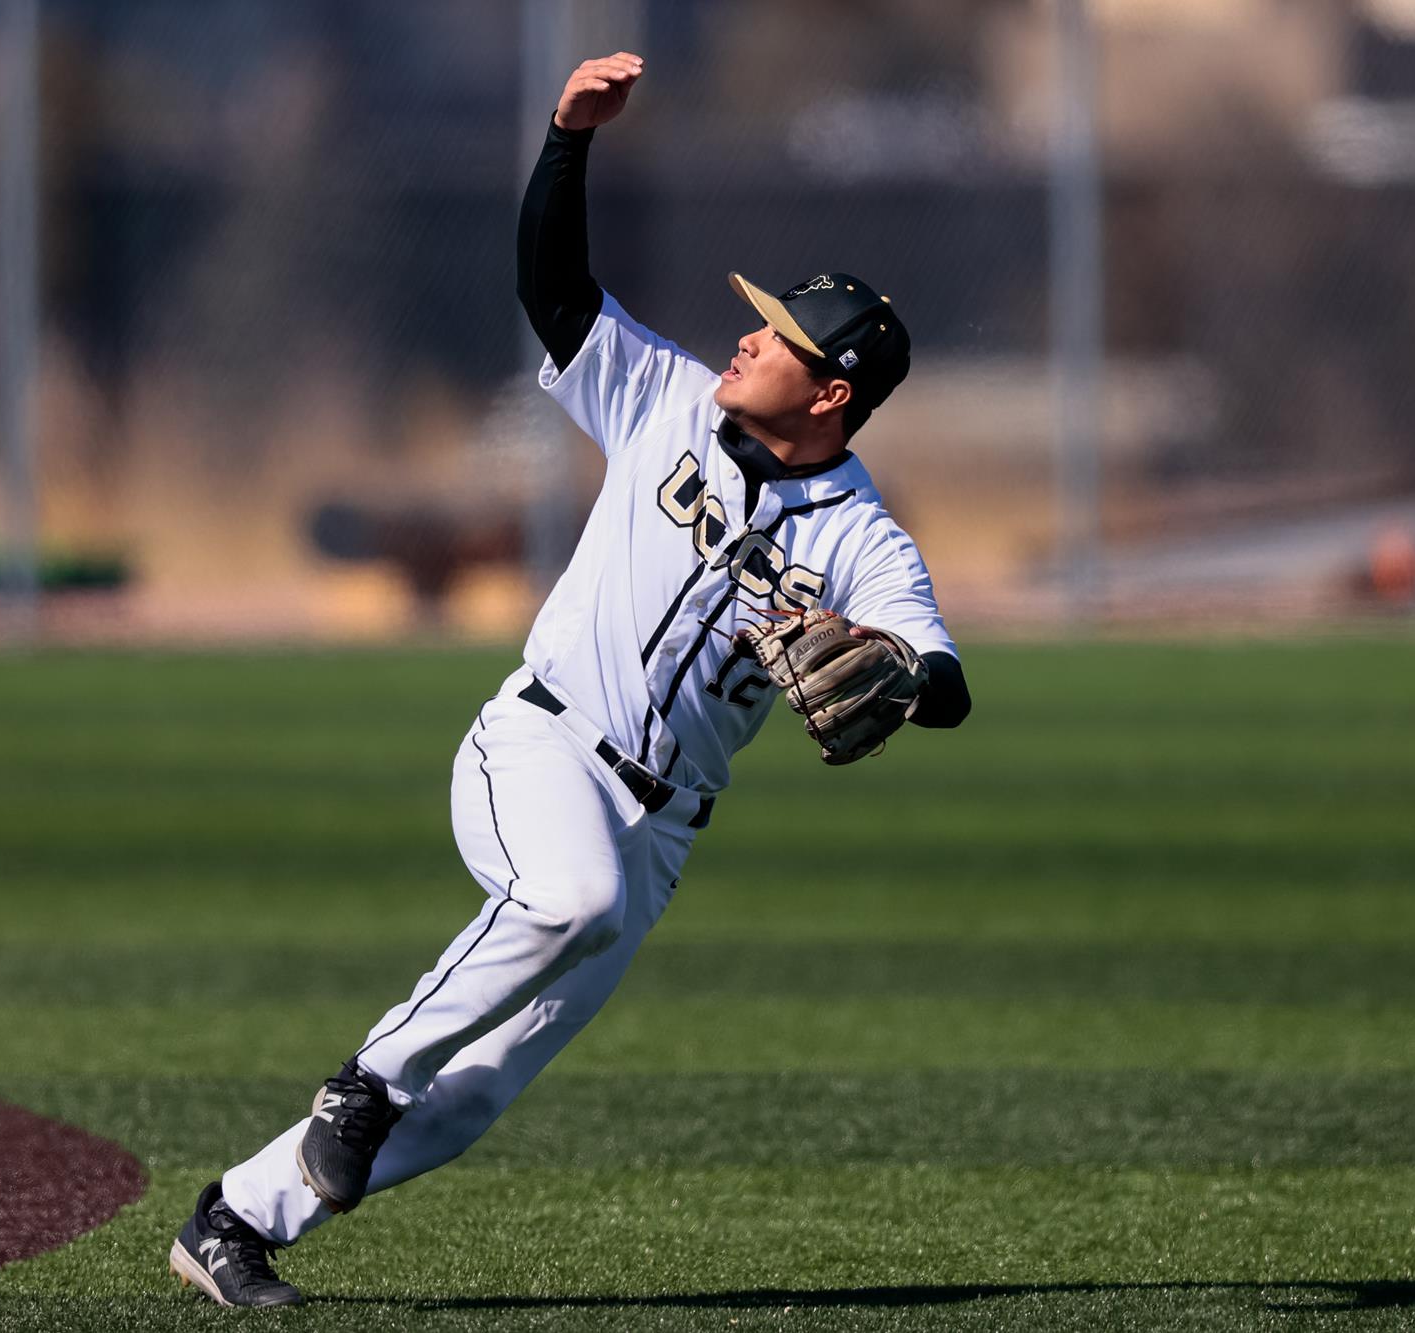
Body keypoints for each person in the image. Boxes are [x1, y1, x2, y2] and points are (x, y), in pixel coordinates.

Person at [169, 51, 970, 1307]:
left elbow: (937, 666)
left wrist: (903, 681)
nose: (747, 333)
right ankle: (364, 1080)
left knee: (484, 1087)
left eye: (780, 335)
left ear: (829, 391)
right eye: (758, 314)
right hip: (539, 745)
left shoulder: (857, 534)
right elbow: (554, 289)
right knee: (567, 890)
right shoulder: (662, 399)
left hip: (663, 836)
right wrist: (565, 137)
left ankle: (232, 1219)